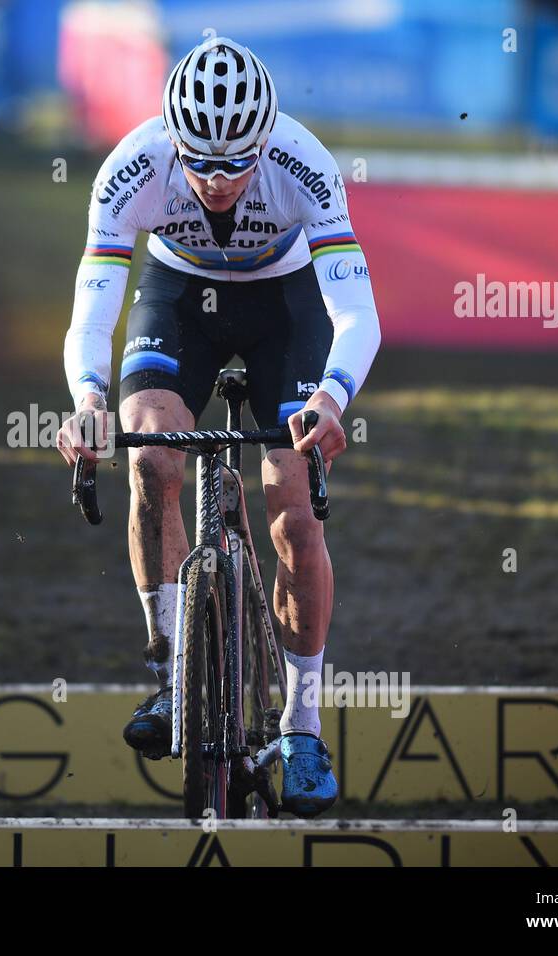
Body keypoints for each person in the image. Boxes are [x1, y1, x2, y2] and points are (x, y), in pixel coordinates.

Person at [55, 36, 382, 817]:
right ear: (172, 138)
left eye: (238, 164)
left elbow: (356, 312)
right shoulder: (129, 168)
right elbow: (94, 307)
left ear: (265, 139)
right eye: (201, 164)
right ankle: (172, 678)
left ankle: (303, 729)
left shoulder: (305, 164)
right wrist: (88, 401)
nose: (219, 180)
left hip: (285, 308)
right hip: (178, 301)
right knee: (150, 463)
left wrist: (332, 399)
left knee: (293, 509)